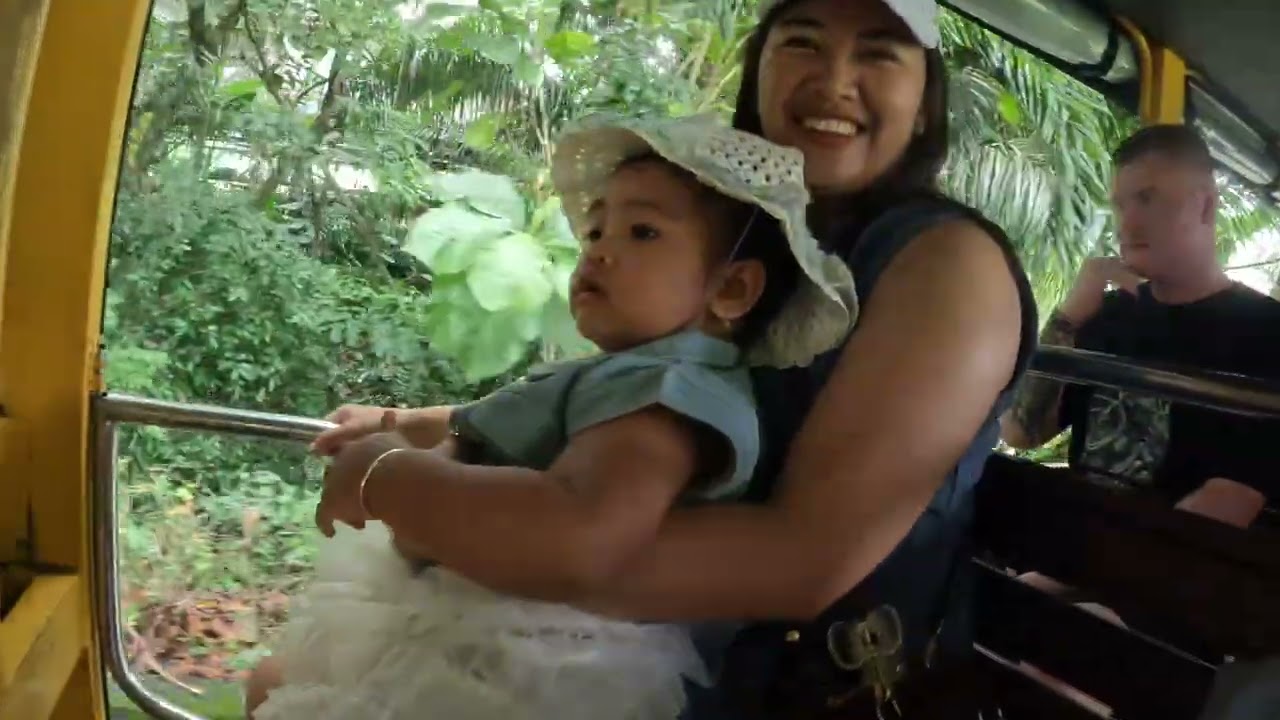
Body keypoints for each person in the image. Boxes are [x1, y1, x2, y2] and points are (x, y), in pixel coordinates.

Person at [262, 0, 1039, 716]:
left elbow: (800, 560)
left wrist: (432, 512)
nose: (834, 81)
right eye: (802, 40)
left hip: (789, 687)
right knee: (278, 682)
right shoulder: (756, 240)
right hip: (684, 651)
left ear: (925, 100)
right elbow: (625, 404)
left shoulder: (941, 265)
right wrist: (414, 425)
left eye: (879, 53)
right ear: (761, 66)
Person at [246, 113, 861, 720]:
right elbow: (489, 424)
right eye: (596, 234)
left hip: (517, 664)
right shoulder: (622, 378)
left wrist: (385, 477)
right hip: (465, 630)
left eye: (642, 233)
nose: (600, 254)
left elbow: (582, 533)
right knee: (275, 685)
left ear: (731, 290)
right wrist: (397, 423)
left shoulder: (666, 397)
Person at [1001, 124, 1280, 529]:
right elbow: (1021, 432)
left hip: (1165, 579)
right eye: (1120, 205)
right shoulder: (1108, 315)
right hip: (1069, 558)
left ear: (1205, 207)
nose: (1126, 225)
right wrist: (1068, 318)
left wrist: (1073, 579)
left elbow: (1227, 502)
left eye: (1148, 200)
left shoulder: (1265, 332)